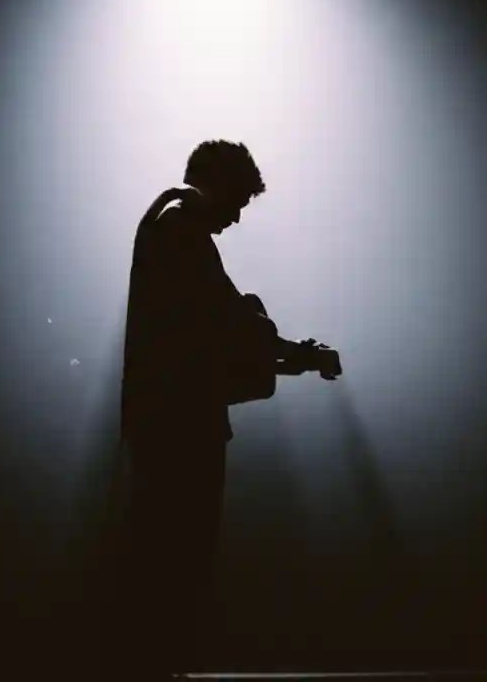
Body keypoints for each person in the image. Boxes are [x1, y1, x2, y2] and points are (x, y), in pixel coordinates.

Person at [116, 140, 341, 678]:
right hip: (180, 428)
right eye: (239, 200)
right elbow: (225, 329)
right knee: (179, 560)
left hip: (164, 423)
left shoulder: (168, 225)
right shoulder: (183, 232)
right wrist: (300, 355)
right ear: (217, 184)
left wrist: (285, 353)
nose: (239, 217)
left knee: (165, 559)